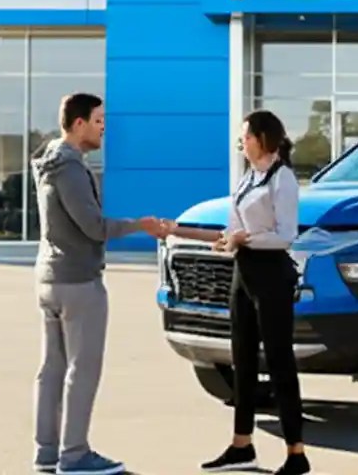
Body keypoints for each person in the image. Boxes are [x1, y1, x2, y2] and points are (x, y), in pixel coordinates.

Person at [158, 109, 311, 475]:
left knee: (278, 361)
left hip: (272, 276)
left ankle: (296, 453)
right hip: (244, 274)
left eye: (245, 135)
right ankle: (241, 445)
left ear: (262, 138)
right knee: (241, 359)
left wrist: (247, 238)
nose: (240, 141)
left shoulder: (282, 179)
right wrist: (177, 230)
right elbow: (228, 233)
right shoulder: (248, 178)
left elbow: (286, 235)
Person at [32, 93, 170, 475]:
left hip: (49, 278)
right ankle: (74, 455)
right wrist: (140, 225)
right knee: (82, 369)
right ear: (78, 124)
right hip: (77, 281)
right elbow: (93, 227)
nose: (103, 127)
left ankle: (47, 453)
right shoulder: (70, 167)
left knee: (53, 368)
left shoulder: (47, 162)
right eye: (98, 121)